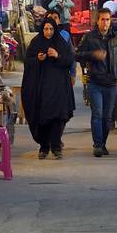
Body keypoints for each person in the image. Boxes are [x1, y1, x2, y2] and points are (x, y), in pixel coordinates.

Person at [77, 8, 117, 157]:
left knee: (107, 117)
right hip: (95, 82)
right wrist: (92, 55)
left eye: (108, 19)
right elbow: (77, 54)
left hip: (112, 83)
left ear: (110, 21)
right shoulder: (89, 37)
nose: (105, 22)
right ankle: (98, 145)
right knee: (97, 114)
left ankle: (103, 143)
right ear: (98, 21)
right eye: (102, 19)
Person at [21, 17, 75, 160]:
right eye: (46, 29)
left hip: (58, 88)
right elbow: (27, 61)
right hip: (40, 88)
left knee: (57, 117)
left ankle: (56, 147)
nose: (48, 32)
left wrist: (57, 55)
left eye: (51, 29)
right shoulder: (36, 43)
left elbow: (69, 60)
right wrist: (37, 59)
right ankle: (44, 147)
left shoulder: (60, 43)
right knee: (42, 117)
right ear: (42, 29)